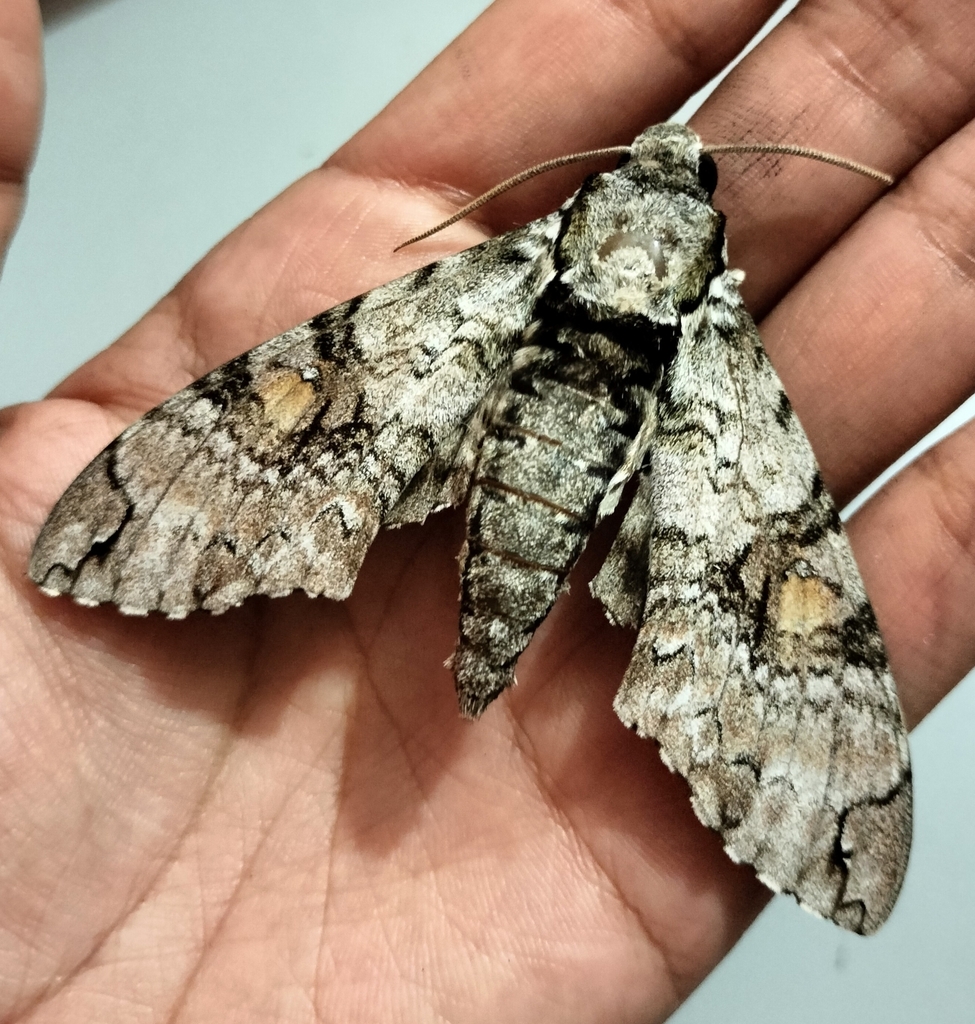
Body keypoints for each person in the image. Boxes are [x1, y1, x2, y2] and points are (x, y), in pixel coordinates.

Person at [0, 0, 973, 1019]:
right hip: (671, 452)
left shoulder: (531, 247)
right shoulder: (716, 321)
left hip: (501, 370)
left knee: (306, 393)